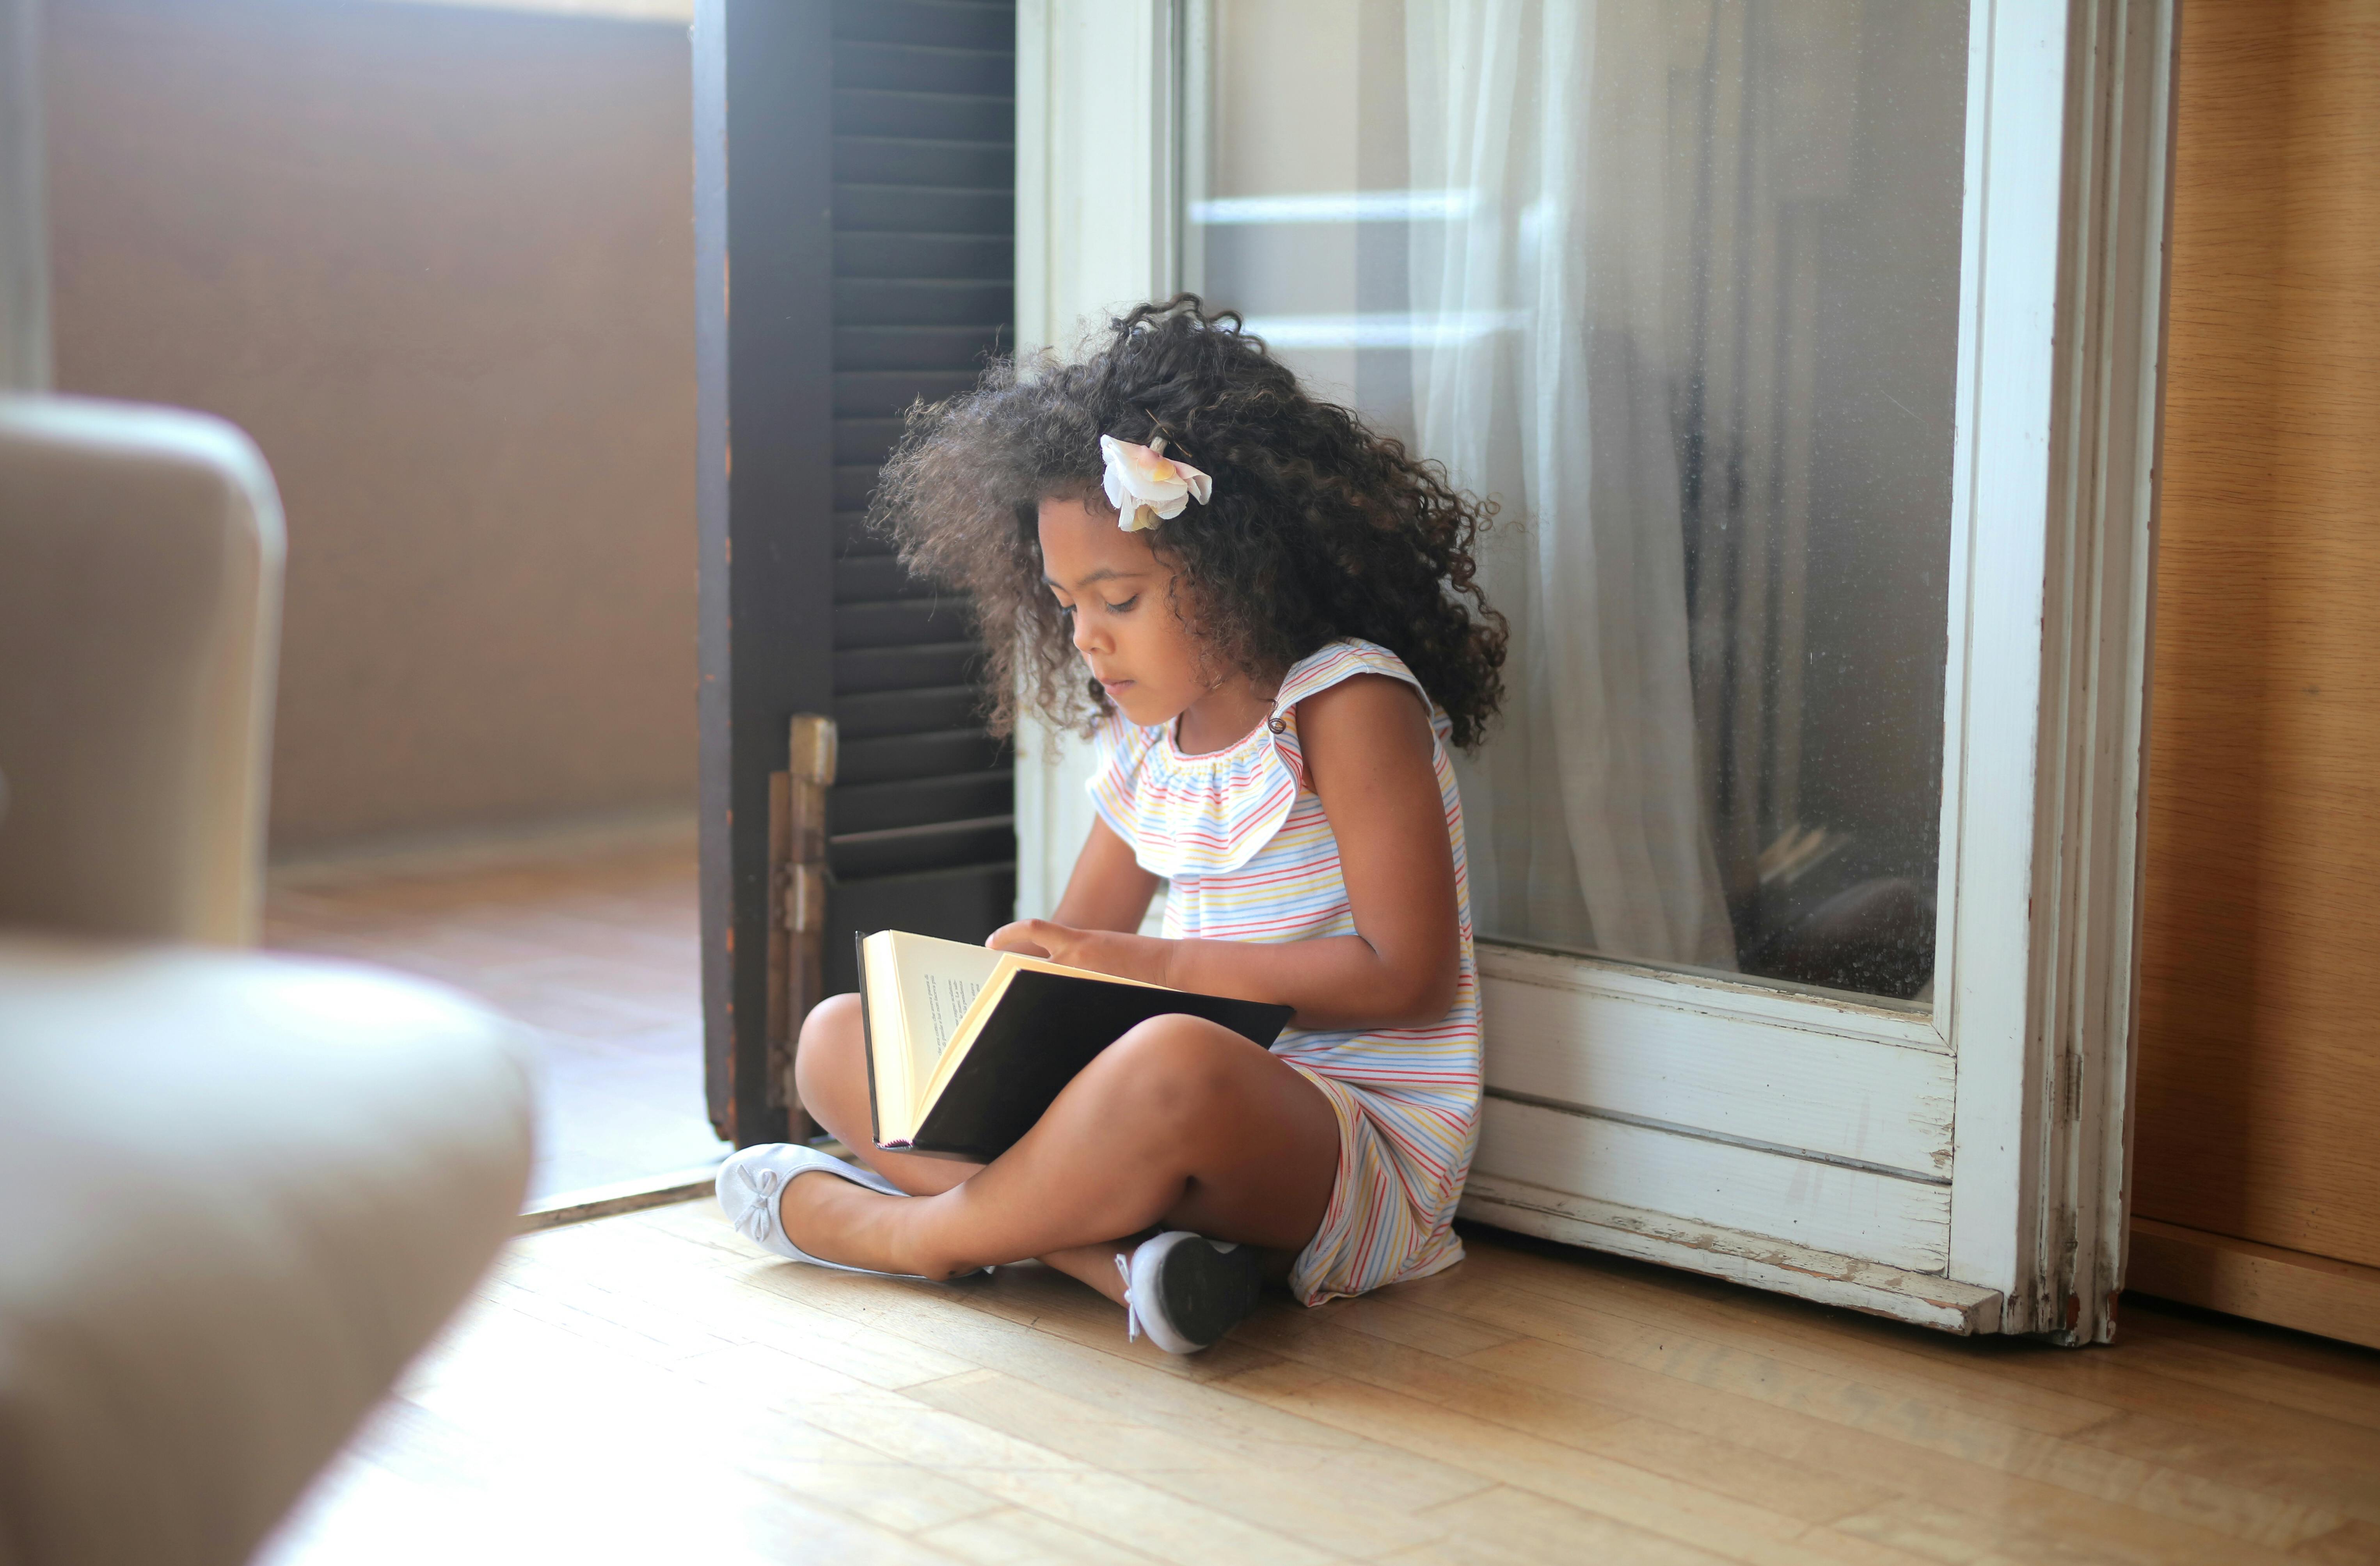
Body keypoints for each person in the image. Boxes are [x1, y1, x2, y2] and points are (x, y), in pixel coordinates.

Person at [717, 295, 1507, 1353]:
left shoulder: (1343, 703)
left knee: (1171, 1057)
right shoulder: (1147, 745)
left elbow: (1407, 977)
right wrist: (1007, 986)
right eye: (1065, 605)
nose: (1087, 638)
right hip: (1161, 1120)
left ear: (1233, 571)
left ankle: (913, 1235)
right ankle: (1129, 1270)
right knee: (836, 1038)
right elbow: (1074, 963)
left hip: (1339, 1139)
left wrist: (1146, 966)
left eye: (1118, 600)